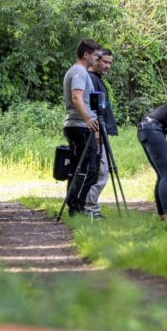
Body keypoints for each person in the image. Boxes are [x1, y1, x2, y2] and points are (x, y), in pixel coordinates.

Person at [62, 38, 102, 218]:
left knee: (84, 168)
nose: (97, 58)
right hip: (79, 126)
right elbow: (77, 98)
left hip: (80, 125)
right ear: (85, 54)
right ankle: (76, 207)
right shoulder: (79, 72)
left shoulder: (80, 71)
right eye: (95, 55)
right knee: (87, 169)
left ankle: (76, 204)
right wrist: (88, 120)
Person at [85, 48, 118, 218]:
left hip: (101, 130)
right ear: (96, 60)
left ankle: (89, 207)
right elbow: (91, 109)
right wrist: (98, 134)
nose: (108, 66)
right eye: (105, 62)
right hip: (96, 132)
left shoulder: (96, 79)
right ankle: (90, 208)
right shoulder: (90, 79)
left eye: (110, 63)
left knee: (101, 170)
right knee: (101, 171)